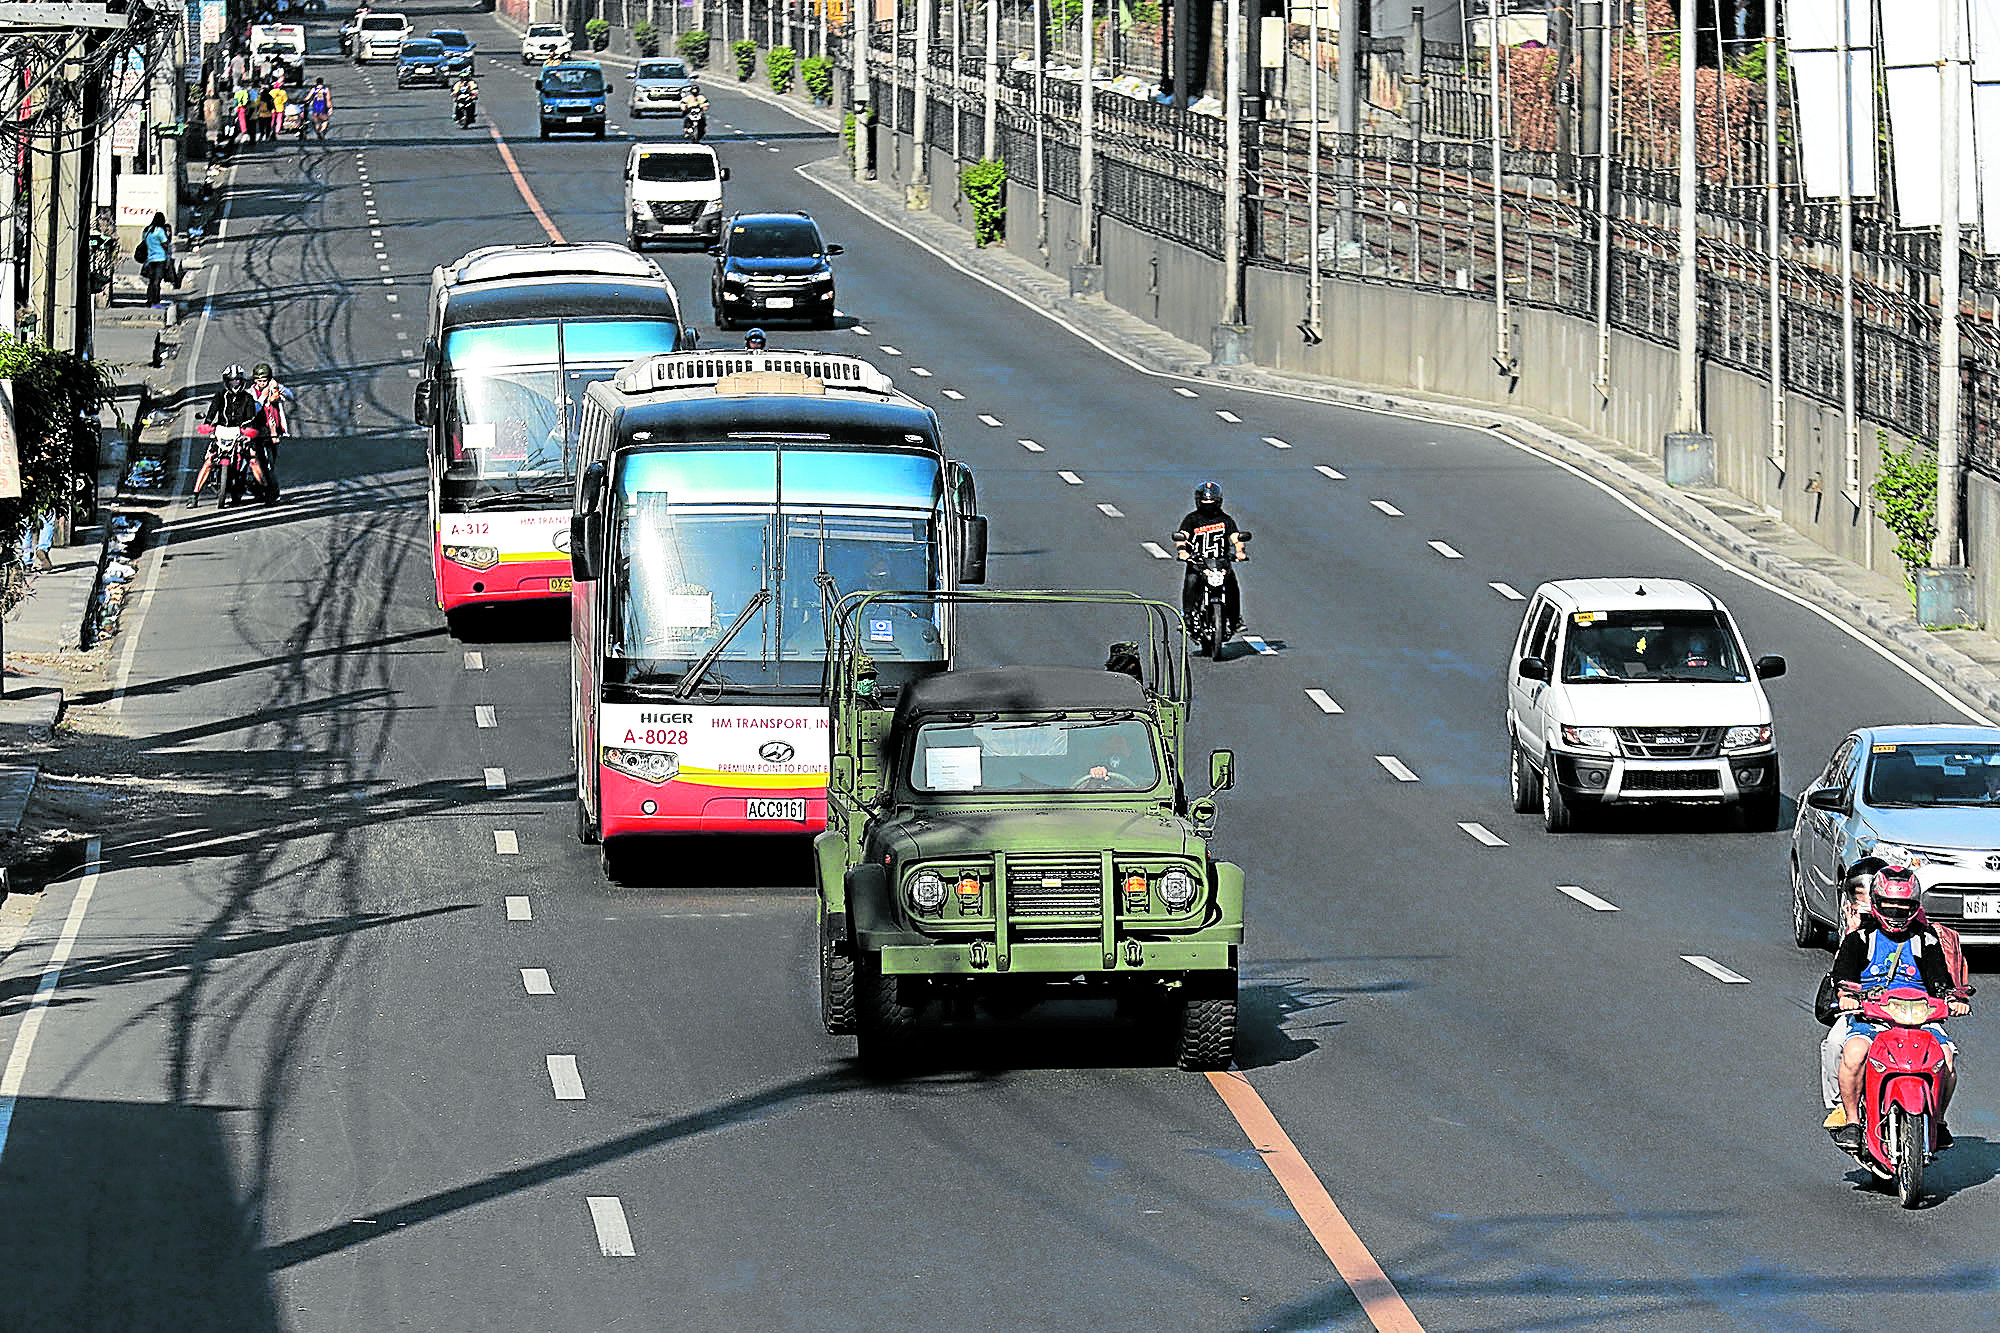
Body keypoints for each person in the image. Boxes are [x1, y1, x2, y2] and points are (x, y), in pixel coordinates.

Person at [1829, 865, 1969, 1156]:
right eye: (1889, 907)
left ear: (1914, 907)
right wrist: (1846, 996)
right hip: (1872, 1017)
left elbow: (1939, 980)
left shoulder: (1926, 940)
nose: (1895, 914)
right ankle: (1853, 1122)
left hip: (1919, 1018)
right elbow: (1842, 974)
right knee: (1853, 1053)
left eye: (1903, 907)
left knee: (1947, 1060)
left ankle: (1938, 1122)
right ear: (1877, 905)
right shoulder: (1860, 939)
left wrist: (1952, 999)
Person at [191, 363, 275, 504]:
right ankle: (194, 495)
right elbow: (212, 412)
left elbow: (250, 417)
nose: (235, 384)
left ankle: (267, 492)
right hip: (222, 433)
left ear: (242, 382)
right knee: (209, 461)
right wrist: (207, 424)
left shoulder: (248, 398)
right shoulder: (220, 396)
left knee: (253, 460)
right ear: (226, 382)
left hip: (241, 435)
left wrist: (248, 430)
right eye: (232, 381)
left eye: (237, 381)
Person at [1173, 480, 1249, 634]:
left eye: (1211, 501)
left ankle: (1235, 620)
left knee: (1232, 586)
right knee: (1191, 582)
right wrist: (1183, 553)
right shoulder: (1192, 519)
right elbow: (1182, 537)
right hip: (1198, 562)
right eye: (1205, 501)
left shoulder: (1225, 519)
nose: (1208, 504)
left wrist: (1240, 552)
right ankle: (1187, 617)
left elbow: (1236, 537)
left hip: (1221, 561)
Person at [249, 362, 296, 448]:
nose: (262, 383)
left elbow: (290, 396)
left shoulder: (274, 389)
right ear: (255, 380)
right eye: (259, 381)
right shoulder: (251, 393)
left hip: (277, 430)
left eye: (264, 381)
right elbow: (253, 410)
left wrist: (278, 388)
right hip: (260, 430)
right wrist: (263, 396)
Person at [139, 211, 176, 307]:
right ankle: (156, 301)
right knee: (157, 282)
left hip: (150, 259)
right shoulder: (159, 231)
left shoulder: (146, 230)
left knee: (151, 281)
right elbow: (165, 243)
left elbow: (144, 242)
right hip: (160, 259)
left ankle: (149, 300)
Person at [266, 76, 287, 141]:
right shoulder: (283, 92)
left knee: (272, 119)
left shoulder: (271, 92)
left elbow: (268, 99)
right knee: (279, 119)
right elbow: (285, 100)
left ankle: (271, 128)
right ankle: (277, 129)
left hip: (273, 107)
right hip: (280, 107)